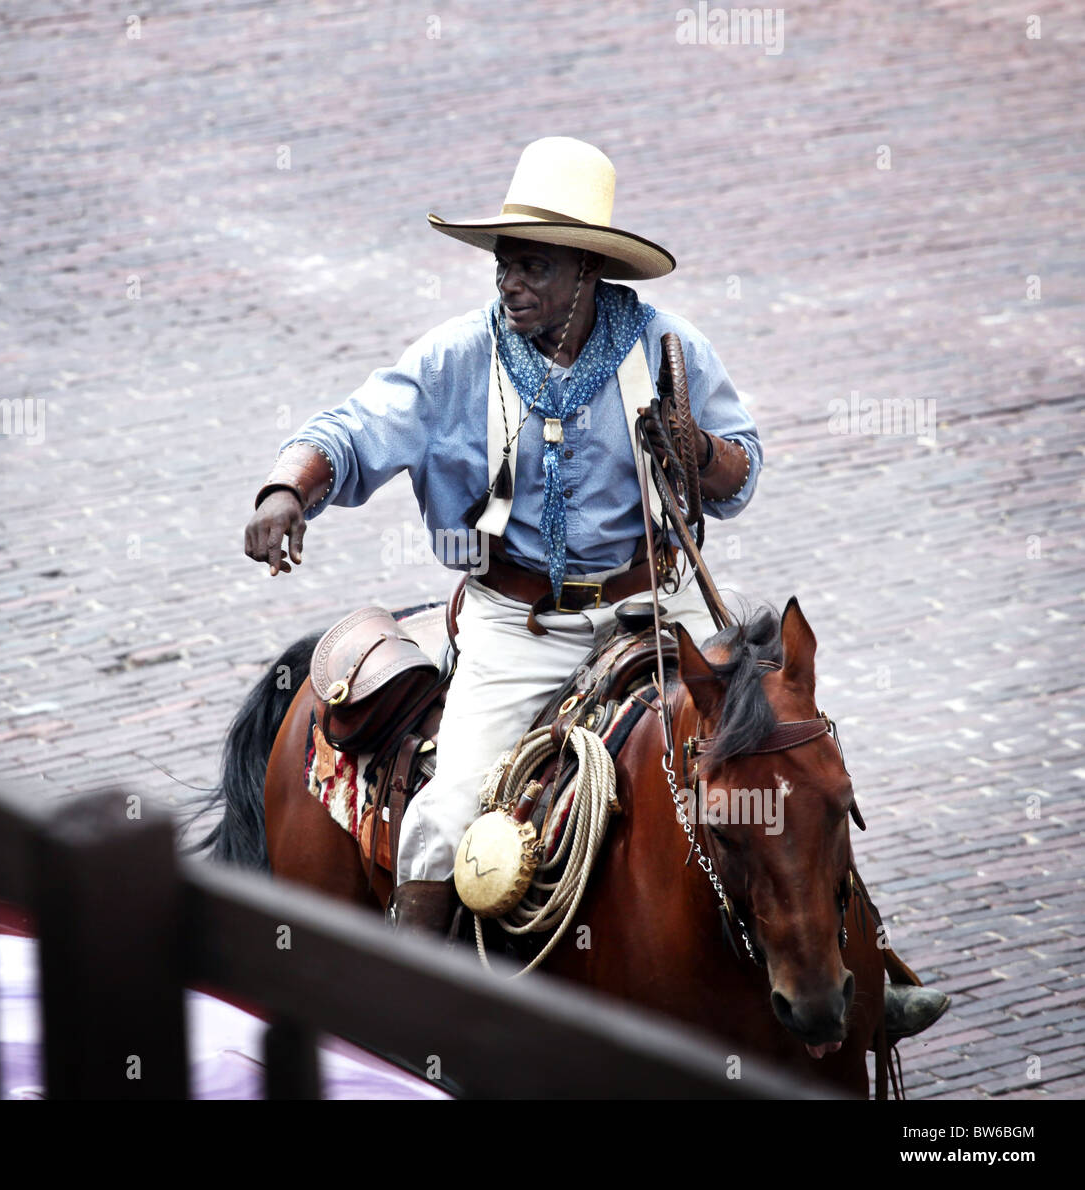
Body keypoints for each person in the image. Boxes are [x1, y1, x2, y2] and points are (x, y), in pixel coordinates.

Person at [243, 138, 947, 1042]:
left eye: (532, 264)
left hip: (661, 607)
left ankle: (864, 971)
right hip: (514, 628)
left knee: (784, 759)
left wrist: (697, 450)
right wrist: (287, 489)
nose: (510, 282)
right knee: (443, 817)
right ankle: (416, 1027)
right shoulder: (456, 359)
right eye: (505, 263)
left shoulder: (667, 346)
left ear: (586, 268)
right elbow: (352, 428)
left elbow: (742, 474)